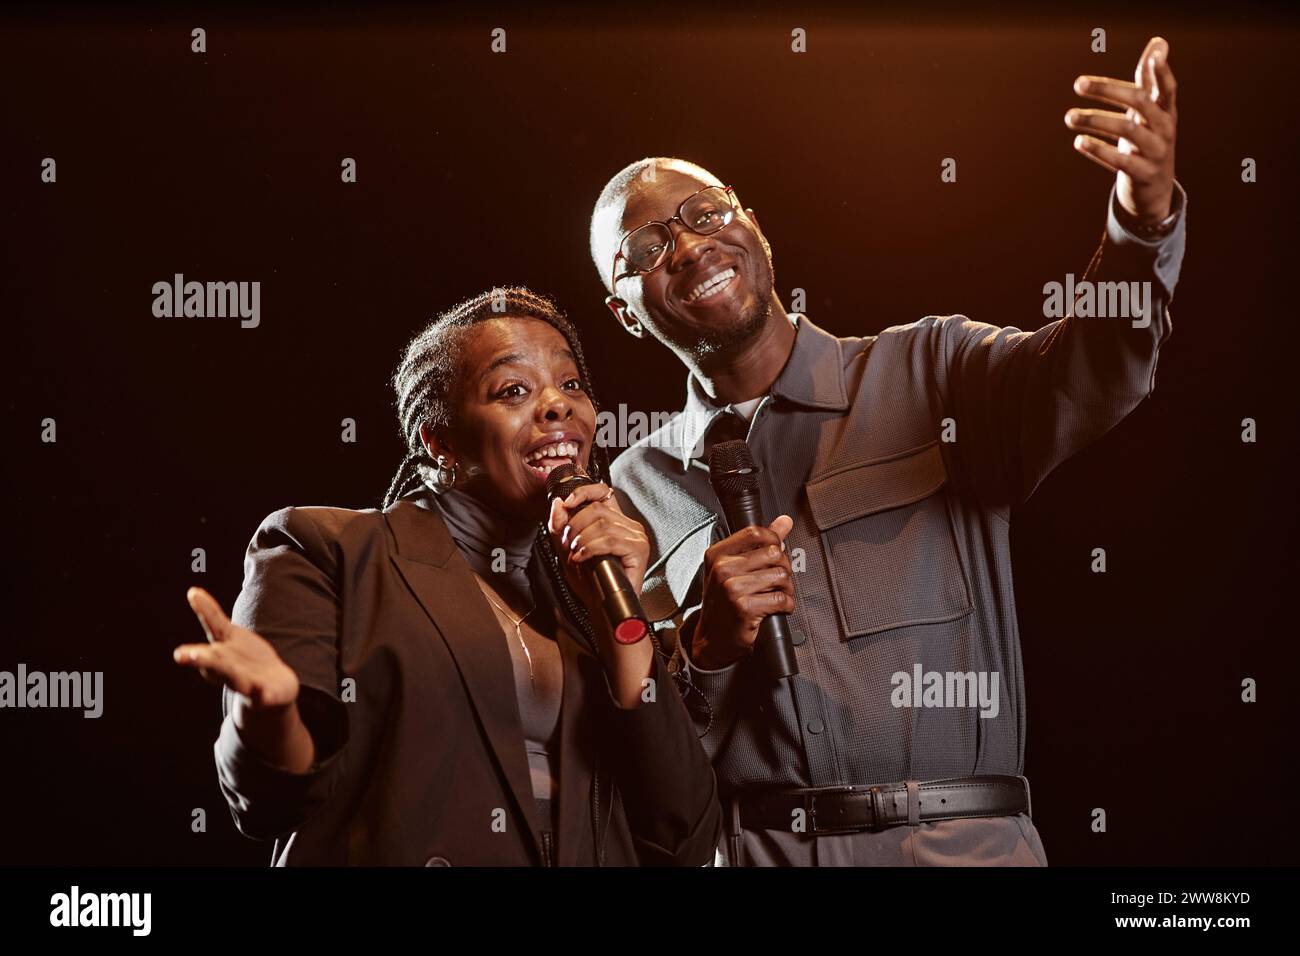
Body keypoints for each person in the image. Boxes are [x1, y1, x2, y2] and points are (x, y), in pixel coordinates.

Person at [587, 37, 1185, 865]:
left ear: (752, 225)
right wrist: (705, 645)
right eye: (646, 250)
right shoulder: (630, 487)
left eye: (705, 214)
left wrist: (1140, 223)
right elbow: (649, 740)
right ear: (625, 312)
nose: (687, 247)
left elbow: (1090, 373)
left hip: (963, 846)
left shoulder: (929, 369)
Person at [173, 287, 722, 866]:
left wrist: (622, 615)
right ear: (439, 442)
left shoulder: (586, 595)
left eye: (571, 384)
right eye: (513, 390)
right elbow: (268, 803)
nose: (557, 405)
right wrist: (269, 715)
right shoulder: (327, 549)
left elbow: (683, 833)